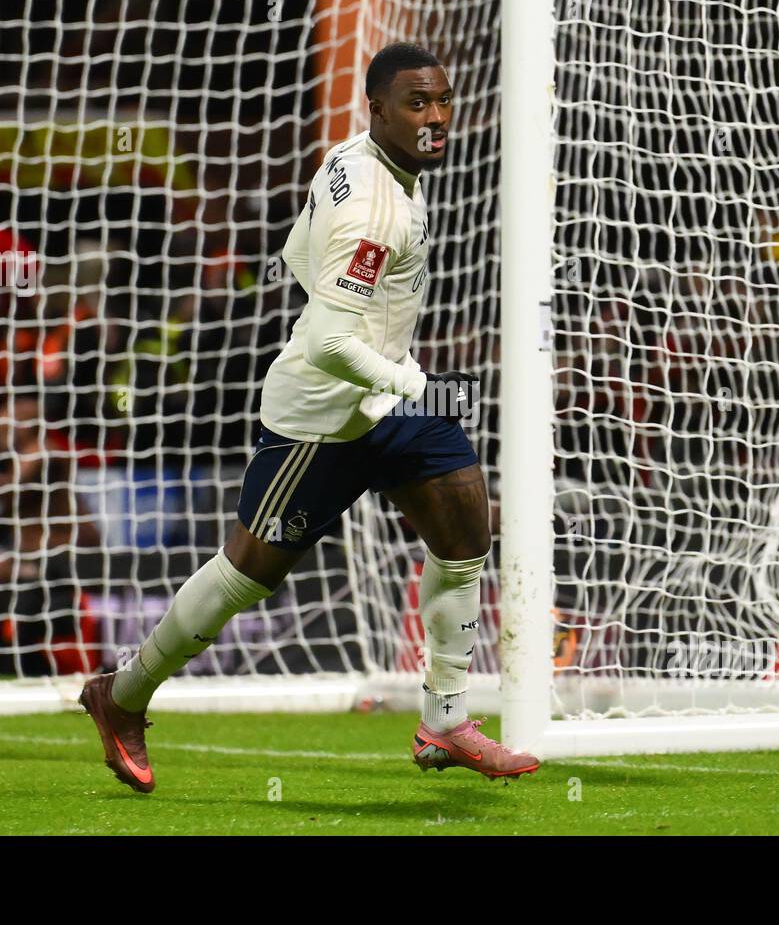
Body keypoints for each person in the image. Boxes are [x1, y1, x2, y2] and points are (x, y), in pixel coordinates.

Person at [79, 42, 539, 792]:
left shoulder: (353, 157)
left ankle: (446, 719)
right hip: (321, 417)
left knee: (464, 529)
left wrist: (391, 373)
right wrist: (400, 377)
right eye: (417, 105)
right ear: (378, 109)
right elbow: (326, 342)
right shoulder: (375, 210)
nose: (436, 120)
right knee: (248, 574)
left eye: (443, 101)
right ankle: (121, 695)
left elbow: (297, 253)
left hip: (386, 400)